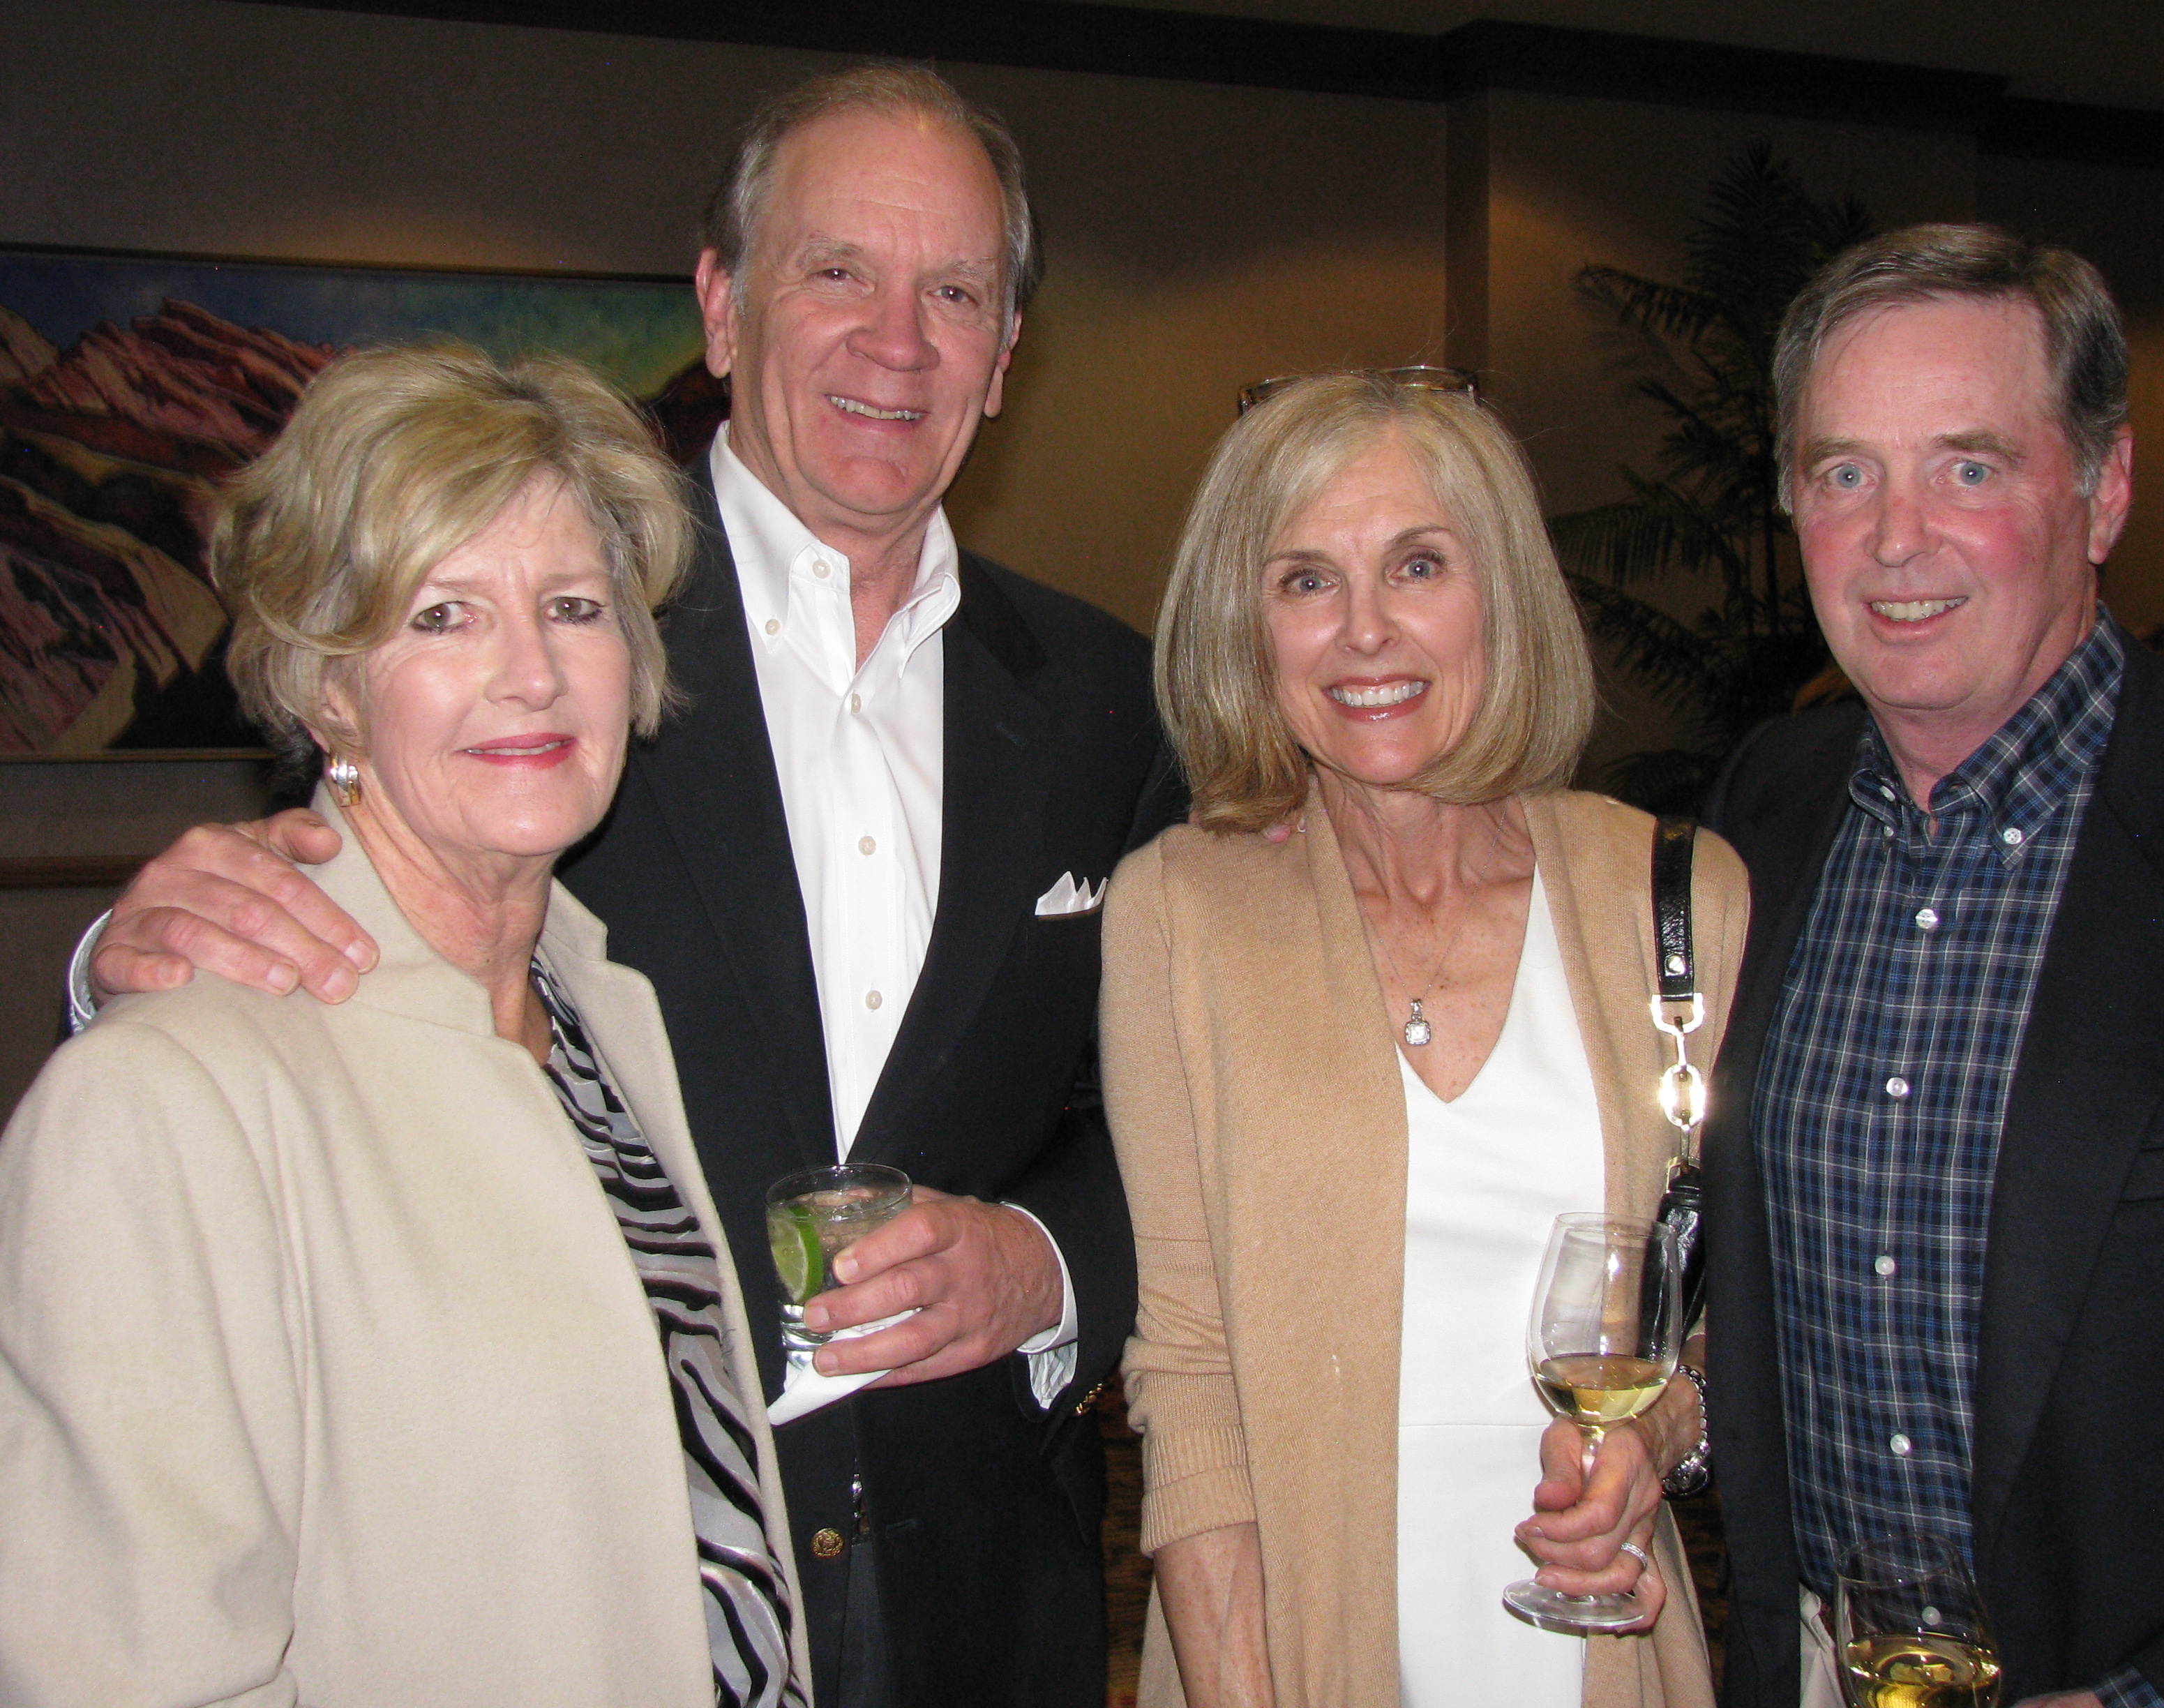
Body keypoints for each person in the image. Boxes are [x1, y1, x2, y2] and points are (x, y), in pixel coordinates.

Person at [68, 66, 1178, 1708]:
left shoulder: (1102, 697)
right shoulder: (567, 642)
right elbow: (345, 913)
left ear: (1006, 357)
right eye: (836, 272)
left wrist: (1051, 1260)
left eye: (954, 292)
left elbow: (1163, 1094)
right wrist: (128, 965)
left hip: (984, 1596)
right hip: (592, 1594)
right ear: (722, 307)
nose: (899, 340)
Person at [0, 343, 805, 1705]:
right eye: (443, 617)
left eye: (572, 605)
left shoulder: (601, 1019)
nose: (533, 673)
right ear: (328, 685)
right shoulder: (169, 1095)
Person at [1101, 370, 1745, 1707]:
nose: (1365, 634)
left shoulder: (1675, 898)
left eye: (1418, 565)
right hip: (1283, 1647)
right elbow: (1188, 1373)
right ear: (1249, 623)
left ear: (1500, 593)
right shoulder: (1179, 911)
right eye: (1305, 581)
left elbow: (1718, 1317)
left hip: (1596, 1638)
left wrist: (1659, 1441)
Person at [1703, 223, 2164, 1708]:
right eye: (1844, 474)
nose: (1897, 539)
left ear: (2103, 491)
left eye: (1968, 467)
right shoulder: (1763, 810)